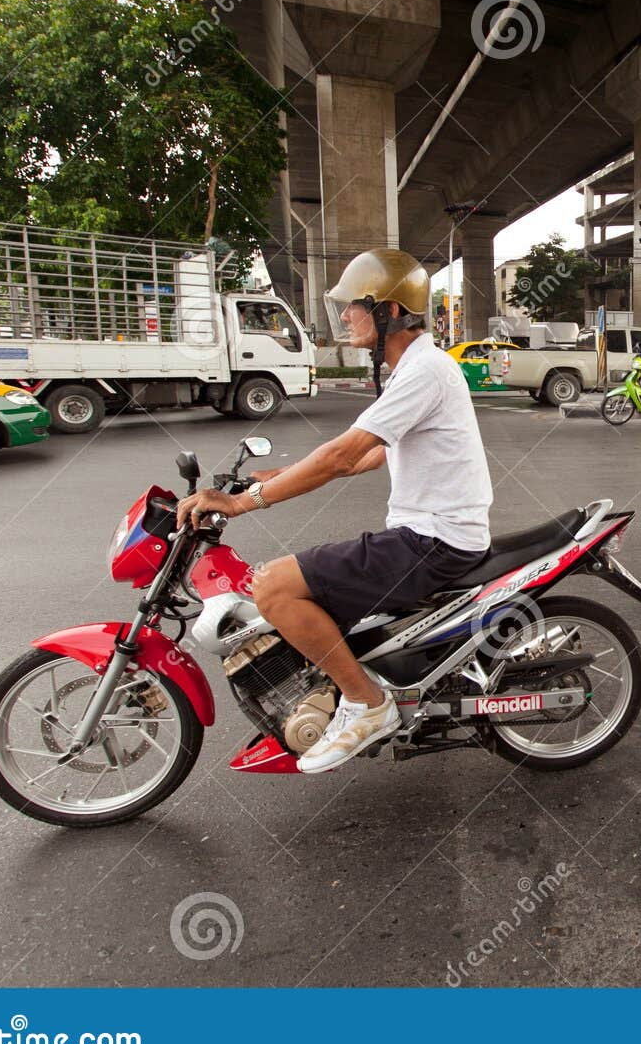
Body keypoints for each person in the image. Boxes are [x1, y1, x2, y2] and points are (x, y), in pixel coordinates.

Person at [174, 248, 493, 774]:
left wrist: (239, 503)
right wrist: (276, 477)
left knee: (272, 587)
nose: (344, 316)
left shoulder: (423, 371)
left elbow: (342, 455)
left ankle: (368, 704)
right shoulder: (415, 369)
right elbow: (365, 457)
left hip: (433, 543)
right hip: (430, 535)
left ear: (388, 311)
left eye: (353, 306)